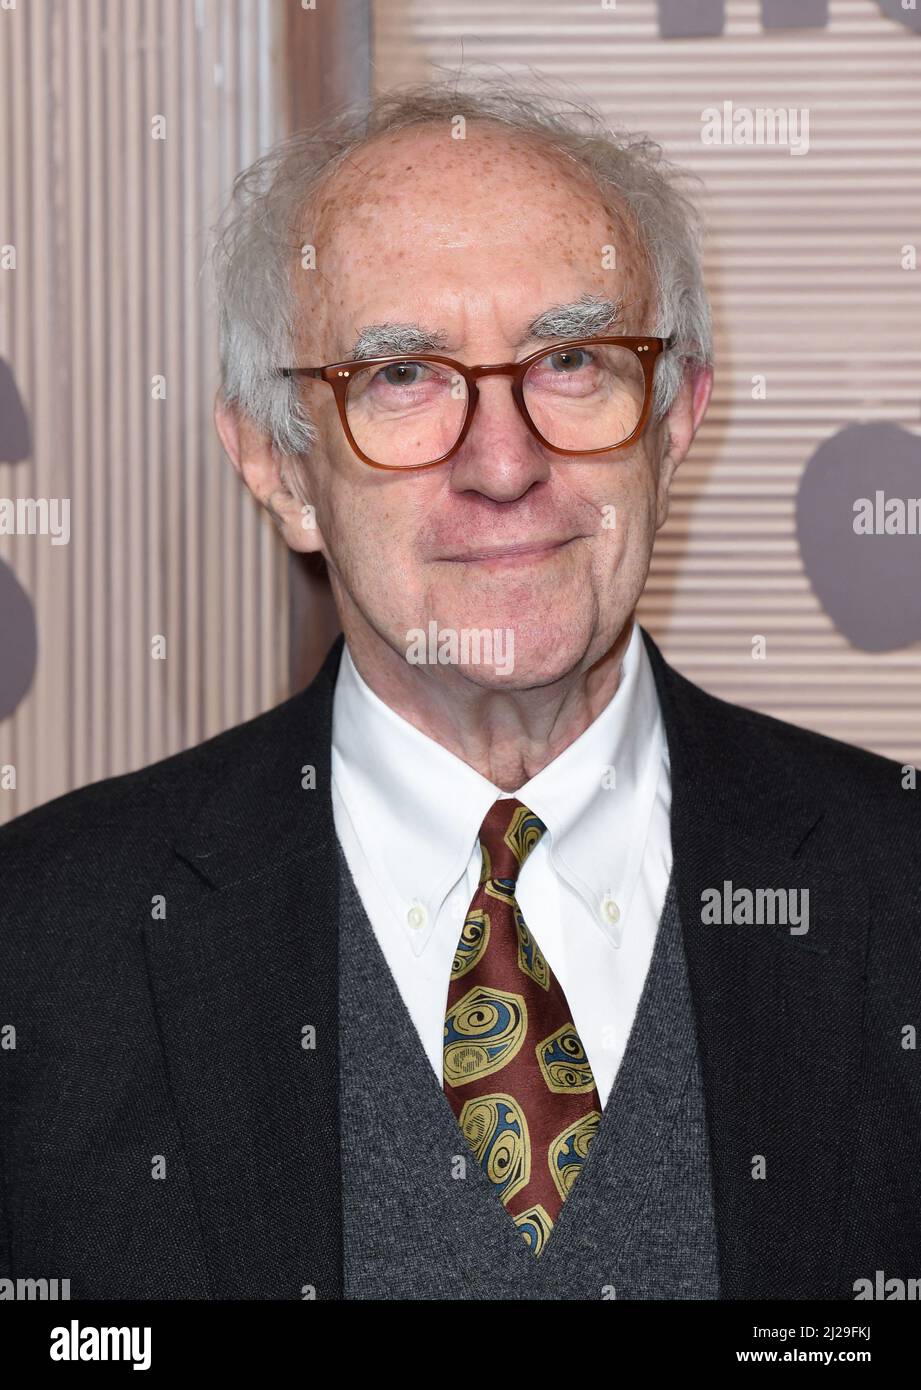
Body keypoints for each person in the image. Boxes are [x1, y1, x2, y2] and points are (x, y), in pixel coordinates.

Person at [1, 80, 918, 1301]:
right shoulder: (39, 949)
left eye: (573, 359)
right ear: (278, 466)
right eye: (402, 376)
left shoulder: (897, 882)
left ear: (675, 419)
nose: (503, 462)